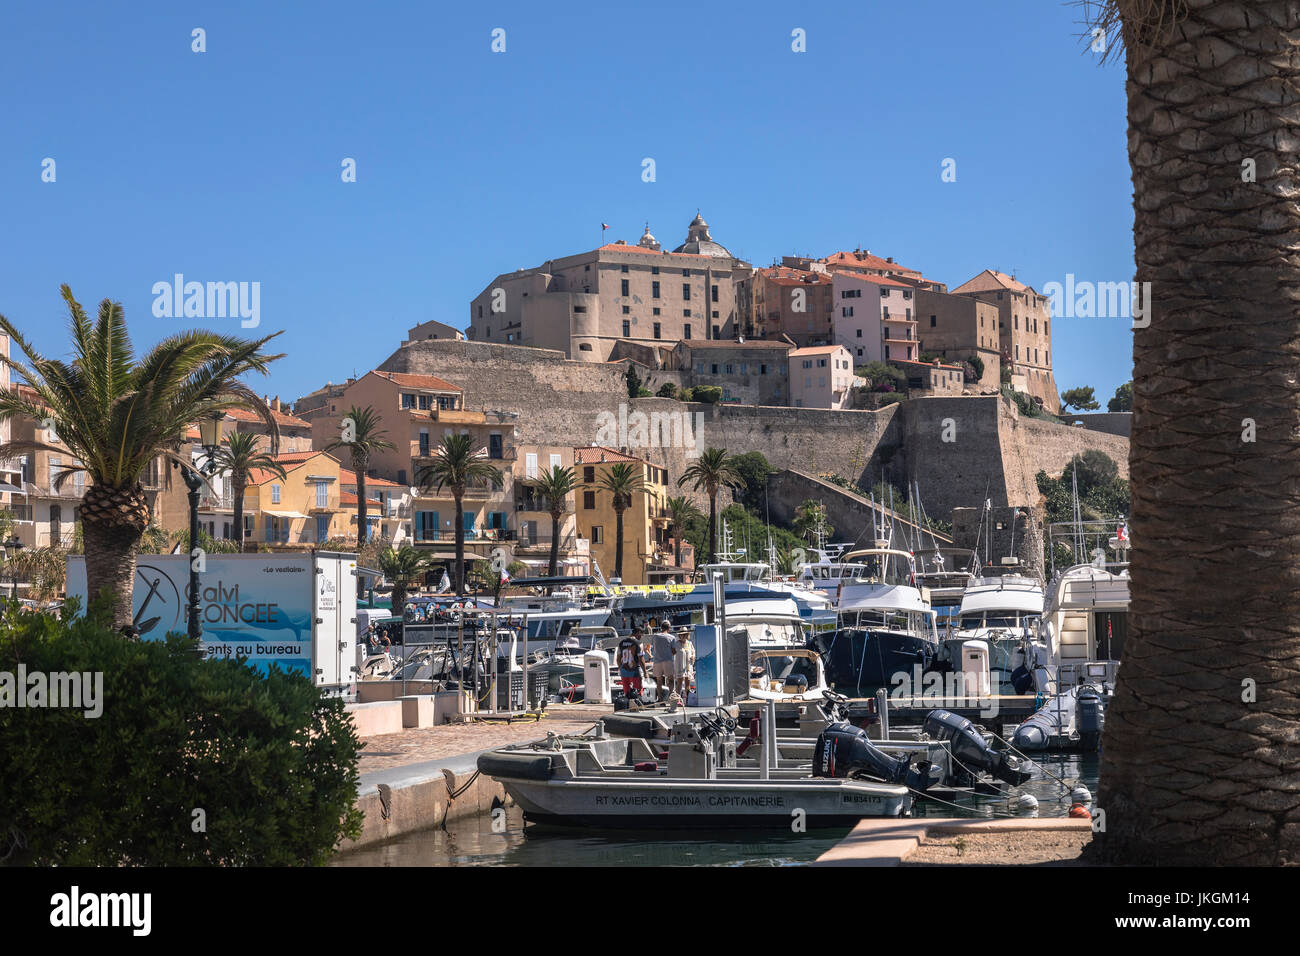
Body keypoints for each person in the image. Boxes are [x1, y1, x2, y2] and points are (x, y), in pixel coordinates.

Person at [616, 627, 648, 700]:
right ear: (637, 633)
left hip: (624, 669)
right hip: (634, 670)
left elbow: (618, 658)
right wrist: (645, 672)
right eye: (641, 635)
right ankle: (637, 706)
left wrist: (620, 668)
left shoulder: (621, 643)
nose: (641, 637)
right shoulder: (638, 643)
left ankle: (628, 705)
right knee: (637, 691)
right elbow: (641, 659)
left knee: (627, 692)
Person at [651, 622, 676, 702]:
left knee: (659, 681)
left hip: (657, 661)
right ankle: (670, 697)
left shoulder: (655, 636)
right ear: (669, 628)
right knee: (671, 680)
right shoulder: (672, 637)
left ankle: (660, 699)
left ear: (661, 628)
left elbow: (653, 647)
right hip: (667, 660)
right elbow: (674, 651)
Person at [674, 628, 695, 698]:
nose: (682, 636)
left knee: (687, 683)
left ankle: (688, 699)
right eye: (681, 635)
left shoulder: (690, 643)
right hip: (680, 666)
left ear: (687, 635)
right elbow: (672, 653)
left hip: (688, 666)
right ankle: (677, 699)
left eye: (684, 634)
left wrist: (693, 656)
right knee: (679, 683)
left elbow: (693, 652)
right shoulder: (676, 644)